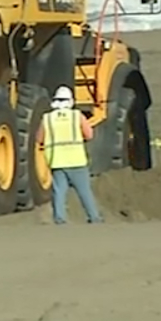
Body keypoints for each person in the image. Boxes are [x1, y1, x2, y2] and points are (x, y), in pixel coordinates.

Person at [35, 86, 102, 225]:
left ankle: (60, 218)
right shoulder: (77, 116)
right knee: (84, 192)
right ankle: (94, 217)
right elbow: (89, 135)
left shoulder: (47, 118)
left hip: (57, 161)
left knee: (59, 192)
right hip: (76, 161)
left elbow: (39, 138)